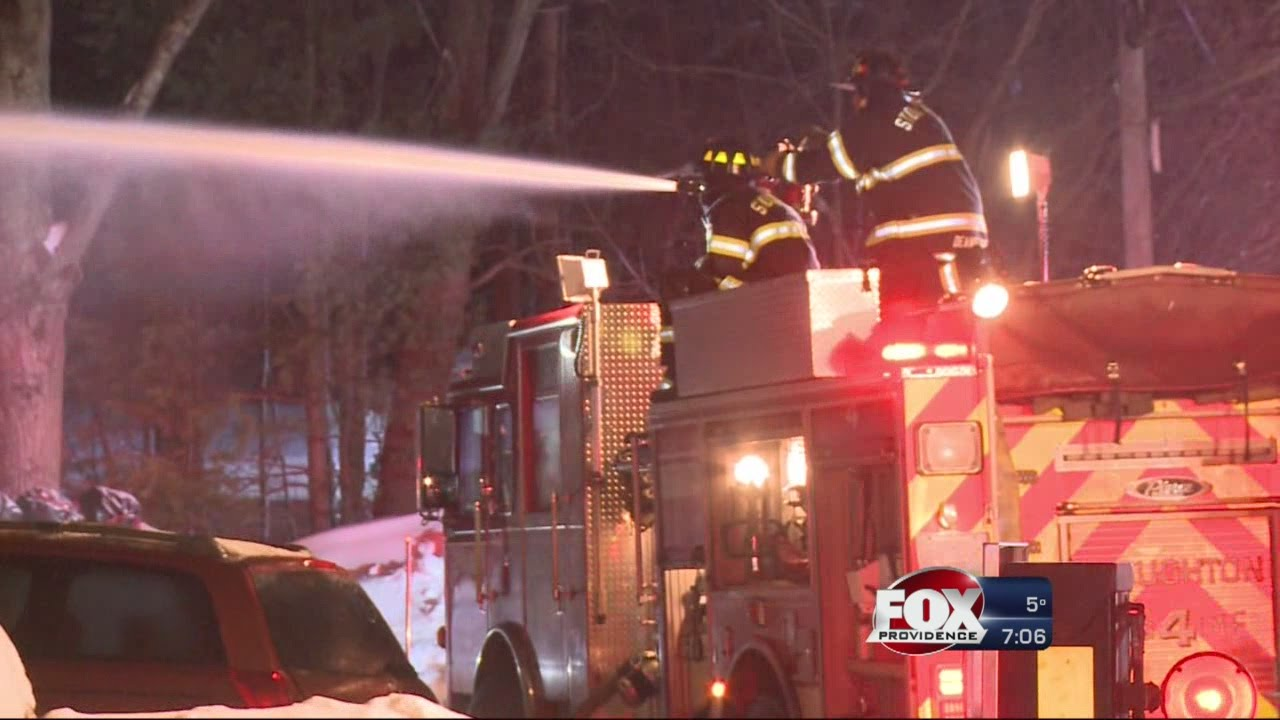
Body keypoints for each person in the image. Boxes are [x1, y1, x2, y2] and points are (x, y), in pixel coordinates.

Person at [765, 50, 990, 313]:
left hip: (917, 241)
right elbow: (879, 161)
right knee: (957, 320)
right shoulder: (923, 117)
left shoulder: (872, 120)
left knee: (901, 329)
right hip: (969, 238)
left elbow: (819, 166)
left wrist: (775, 164)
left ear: (863, 90)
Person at [655, 138, 821, 396]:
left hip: (765, 307)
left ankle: (675, 381)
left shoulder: (729, 207)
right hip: (791, 307)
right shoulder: (761, 203)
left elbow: (724, 271)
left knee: (677, 291)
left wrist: (690, 278)